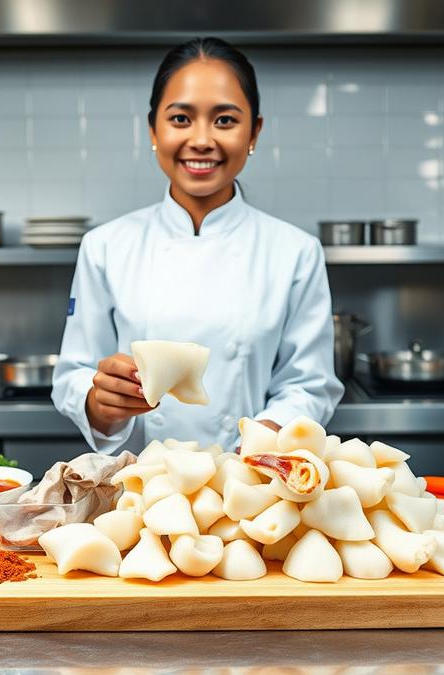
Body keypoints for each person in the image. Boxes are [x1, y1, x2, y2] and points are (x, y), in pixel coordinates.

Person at [52, 37, 343, 455]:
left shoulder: (296, 251)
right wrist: (101, 403)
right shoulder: (105, 247)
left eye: (225, 120)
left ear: (254, 132)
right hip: (137, 490)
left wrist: (266, 436)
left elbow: (309, 384)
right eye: (181, 119)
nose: (202, 140)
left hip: (249, 485)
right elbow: (74, 374)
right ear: (153, 129)